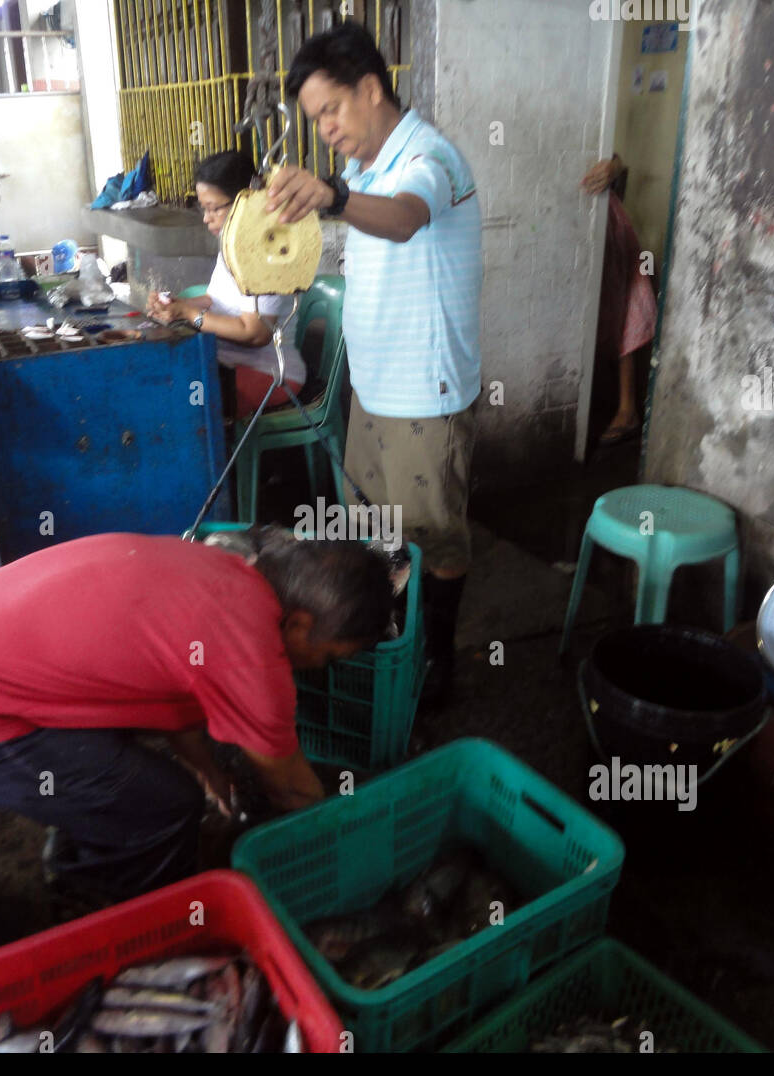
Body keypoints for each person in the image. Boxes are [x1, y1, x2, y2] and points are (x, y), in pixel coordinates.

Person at [0, 532, 395, 901]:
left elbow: (174, 686)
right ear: (301, 624)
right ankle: (119, 905)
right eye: (329, 658)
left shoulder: (224, 568)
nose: (321, 671)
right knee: (166, 806)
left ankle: (83, 832)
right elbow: (291, 789)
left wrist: (207, 767)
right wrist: (354, 856)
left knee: (139, 776)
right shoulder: (250, 649)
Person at [270, 23, 482, 709]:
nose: (326, 128)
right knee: (381, 532)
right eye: (314, 119)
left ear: (371, 88)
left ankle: (439, 662)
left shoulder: (430, 157)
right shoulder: (365, 169)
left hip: (427, 390)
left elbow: (403, 219)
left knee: (435, 536)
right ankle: (390, 644)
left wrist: (330, 196)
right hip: (375, 389)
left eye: (331, 109)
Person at [145, 151, 307, 420]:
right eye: (202, 208)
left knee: (183, 405)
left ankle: (217, 461)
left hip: (269, 372)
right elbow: (213, 299)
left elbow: (255, 334)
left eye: (213, 208)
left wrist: (189, 315)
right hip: (228, 362)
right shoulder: (233, 244)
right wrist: (175, 305)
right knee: (158, 382)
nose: (206, 218)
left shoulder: (269, 253)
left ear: (245, 201)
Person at [580, 154, 656, 447]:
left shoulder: (594, 119)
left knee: (625, 303)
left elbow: (618, 161)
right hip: (581, 221)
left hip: (606, 220)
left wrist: (613, 169)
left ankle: (627, 410)